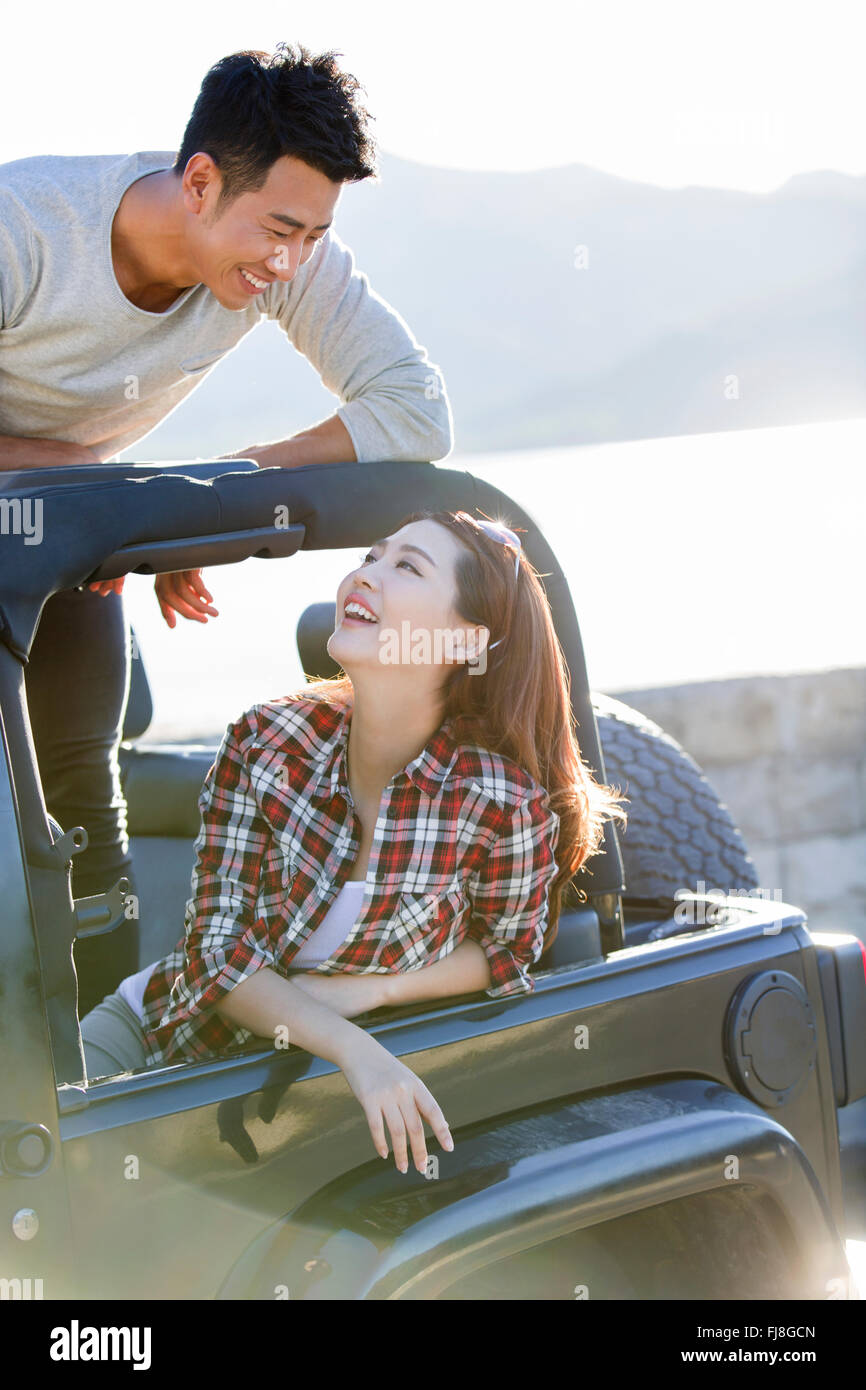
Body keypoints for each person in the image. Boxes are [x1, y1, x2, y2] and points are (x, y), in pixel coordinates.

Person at [0, 44, 452, 1014]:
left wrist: (200, 495)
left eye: (313, 236)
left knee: (82, 812)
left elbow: (414, 412)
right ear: (199, 182)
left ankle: (95, 1082)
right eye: (279, 229)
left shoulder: (281, 258)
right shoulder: (24, 230)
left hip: (65, 549)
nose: (288, 262)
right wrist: (114, 485)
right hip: (63, 514)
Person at [80, 510, 628, 1175]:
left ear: (463, 640)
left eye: (406, 566)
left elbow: (510, 953)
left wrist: (377, 992)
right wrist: (355, 1049)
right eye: (370, 556)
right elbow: (217, 957)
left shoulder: (502, 805)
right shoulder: (266, 742)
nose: (364, 574)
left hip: (280, 1100)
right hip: (159, 1032)